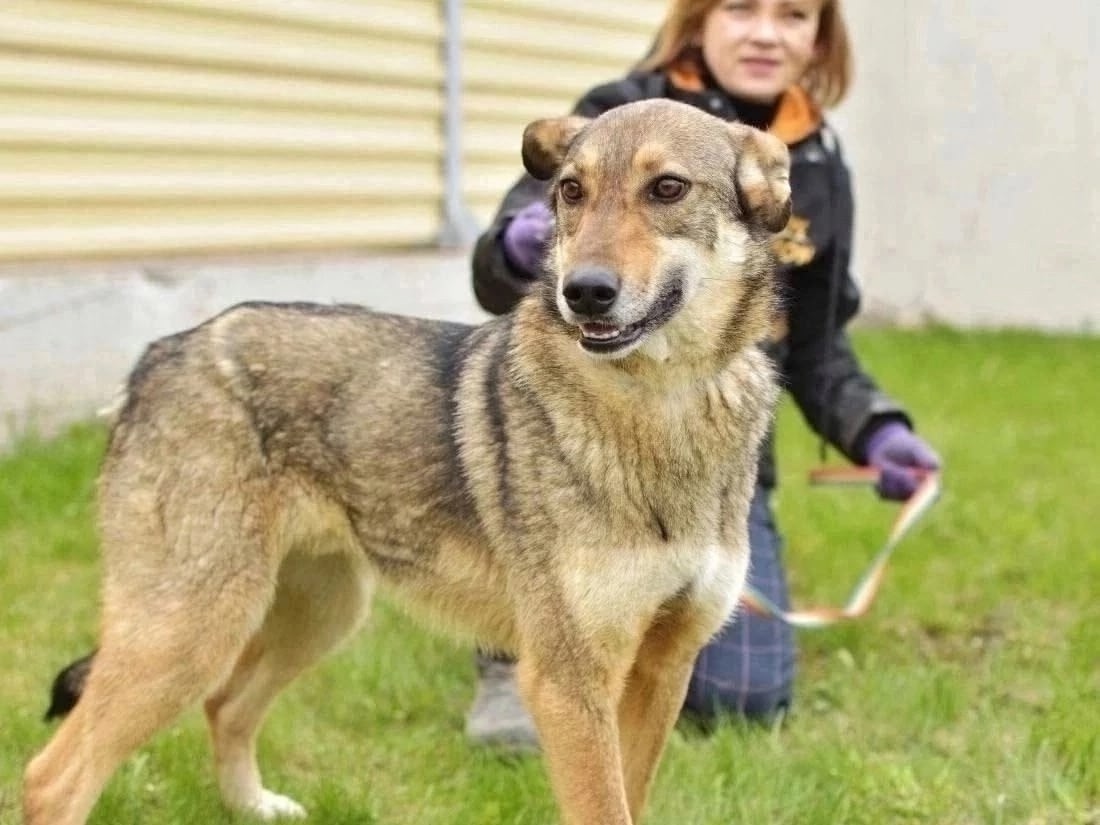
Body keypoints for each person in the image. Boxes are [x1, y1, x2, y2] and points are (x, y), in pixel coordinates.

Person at [465, 0, 941, 749]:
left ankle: (620, 627)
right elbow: (496, 282)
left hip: (712, 454)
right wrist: (519, 245)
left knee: (745, 697)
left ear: (819, 39)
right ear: (697, 19)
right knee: (561, 565)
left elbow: (813, 345)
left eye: (793, 14)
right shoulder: (613, 115)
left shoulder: (814, 161)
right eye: (740, 7)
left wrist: (875, 428)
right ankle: (516, 647)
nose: (763, 31)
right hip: (580, 434)